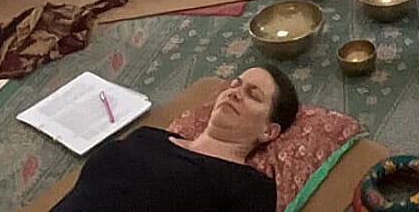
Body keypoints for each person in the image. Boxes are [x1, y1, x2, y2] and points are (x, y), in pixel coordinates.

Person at [52, 65, 299, 211]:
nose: (234, 94)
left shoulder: (249, 186)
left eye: (252, 95)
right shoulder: (151, 136)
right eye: (234, 85)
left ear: (268, 131)